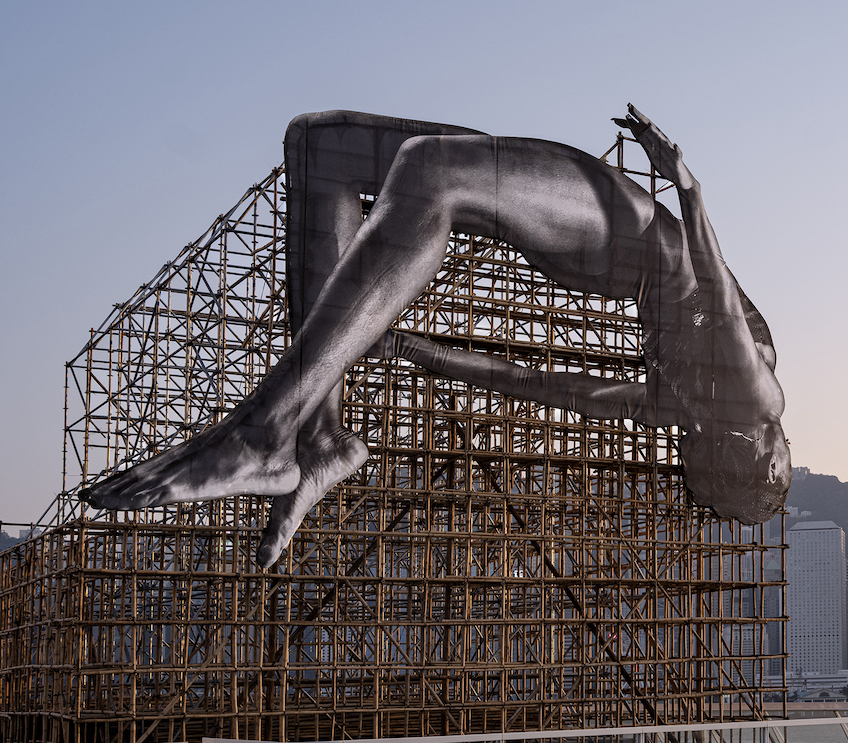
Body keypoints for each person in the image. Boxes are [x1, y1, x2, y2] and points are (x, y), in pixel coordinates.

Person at [81, 105, 791, 567]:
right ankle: (318, 437)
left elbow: (542, 382)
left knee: (430, 169)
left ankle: (265, 434)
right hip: (628, 234)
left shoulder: (715, 405)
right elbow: (712, 288)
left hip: (620, 240)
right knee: (324, 148)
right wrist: (687, 187)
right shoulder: (743, 395)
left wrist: (431, 355)